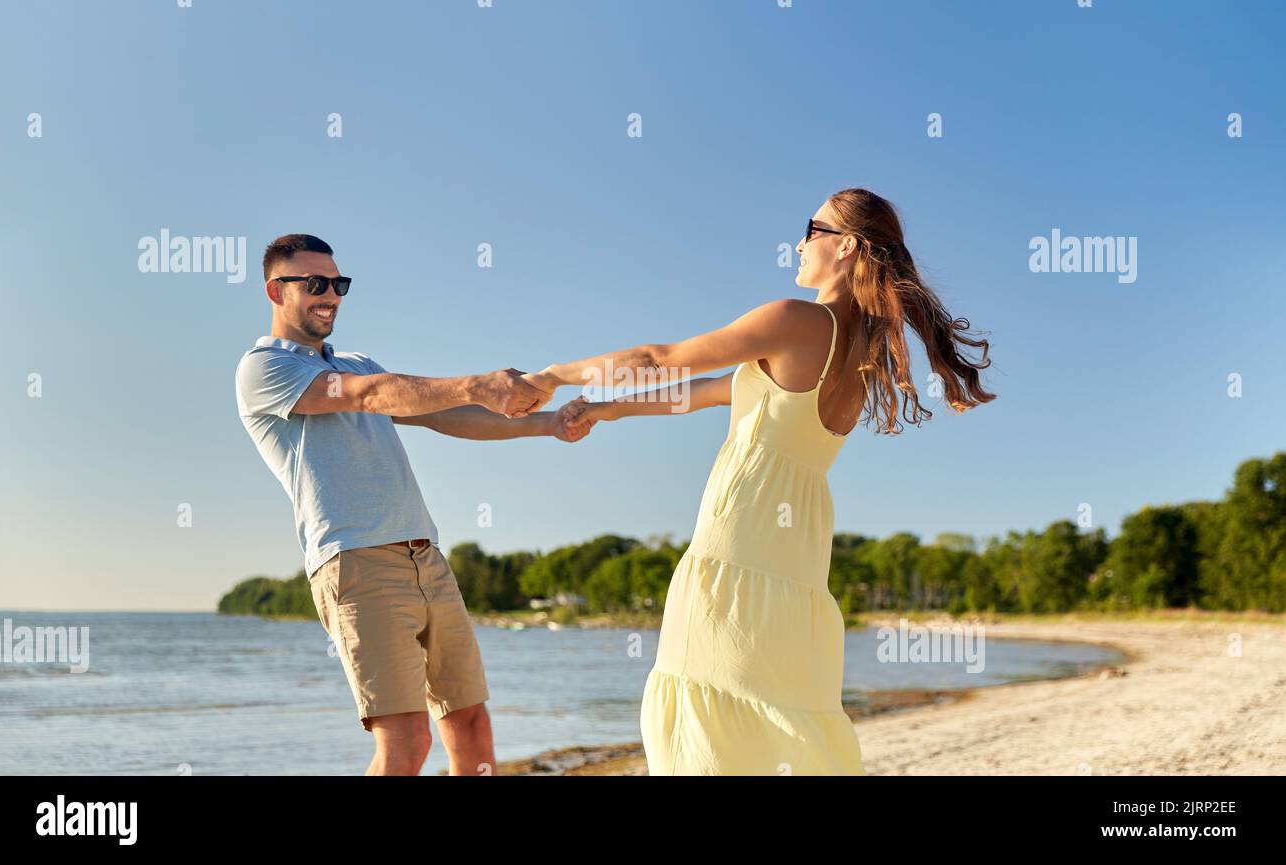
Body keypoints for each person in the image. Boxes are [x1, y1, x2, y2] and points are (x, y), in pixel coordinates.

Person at [531, 188, 997, 774]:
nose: (800, 243)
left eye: (812, 228)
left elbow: (661, 357)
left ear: (847, 246)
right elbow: (704, 393)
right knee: (776, 715)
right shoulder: (856, 351)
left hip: (740, 539)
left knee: (706, 717)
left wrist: (553, 375)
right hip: (796, 558)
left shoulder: (795, 319)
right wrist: (604, 408)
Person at [234, 234, 592, 776]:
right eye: (314, 284)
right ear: (275, 291)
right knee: (406, 743)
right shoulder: (264, 370)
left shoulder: (356, 362)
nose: (330, 294)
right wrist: (477, 383)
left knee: (470, 723)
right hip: (355, 562)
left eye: (338, 284)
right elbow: (368, 395)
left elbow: (441, 415)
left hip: (426, 556)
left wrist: (546, 424)